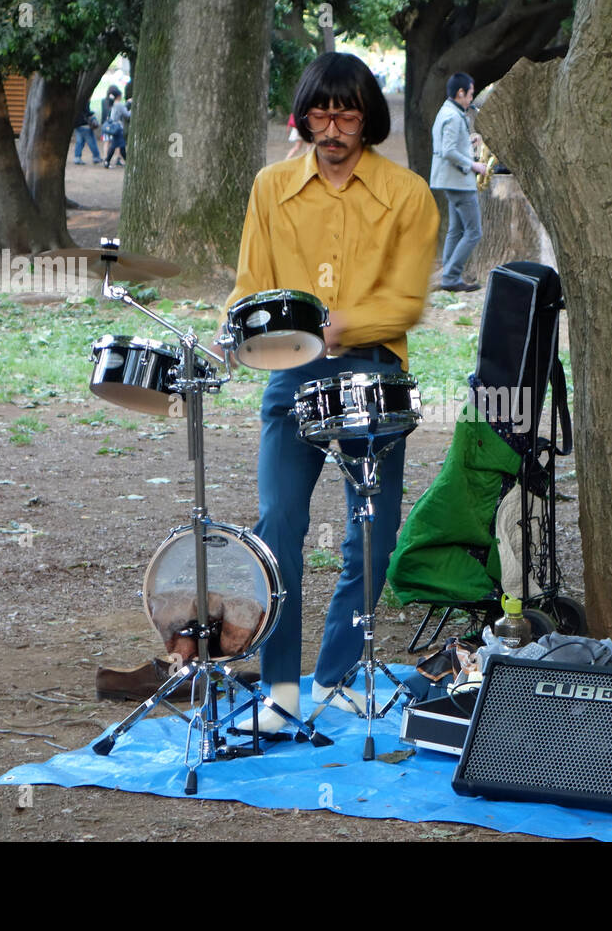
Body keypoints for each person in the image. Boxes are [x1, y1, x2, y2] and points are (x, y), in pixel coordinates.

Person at [223, 52, 438, 731]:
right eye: (320, 115)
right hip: (292, 371)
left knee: (372, 532)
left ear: (368, 119)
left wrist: (337, 325)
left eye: (346, 116)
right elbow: (249, 283)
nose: (333, 129)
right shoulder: (270, 187)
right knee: (278, 526)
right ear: (304, 118)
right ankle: (281, 691)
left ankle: (340, 675)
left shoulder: (408, 194)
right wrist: (237, 324)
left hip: (373, 371)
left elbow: (406, 302)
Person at [429, 72, 487, 293]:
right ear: (460, 93)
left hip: (449, 180)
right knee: (474, 231)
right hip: (458, 181)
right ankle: (451, 276)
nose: (471, 98)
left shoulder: (447, 111)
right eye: (470, 94)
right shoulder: (453, 116)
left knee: (456, 229)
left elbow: (451, 146)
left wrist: (469, 142)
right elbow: (449, 151)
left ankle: (448, 273)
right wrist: (474, 165)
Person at [103, 90, 130, 168]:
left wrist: (127, 103)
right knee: (120, 145)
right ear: (118, 96)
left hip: (114, 127)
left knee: (116, 145)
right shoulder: (119, 104)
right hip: (118, 128)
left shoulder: (114, 103)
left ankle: (107, 161)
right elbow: (127, 114)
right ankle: (128, 162)